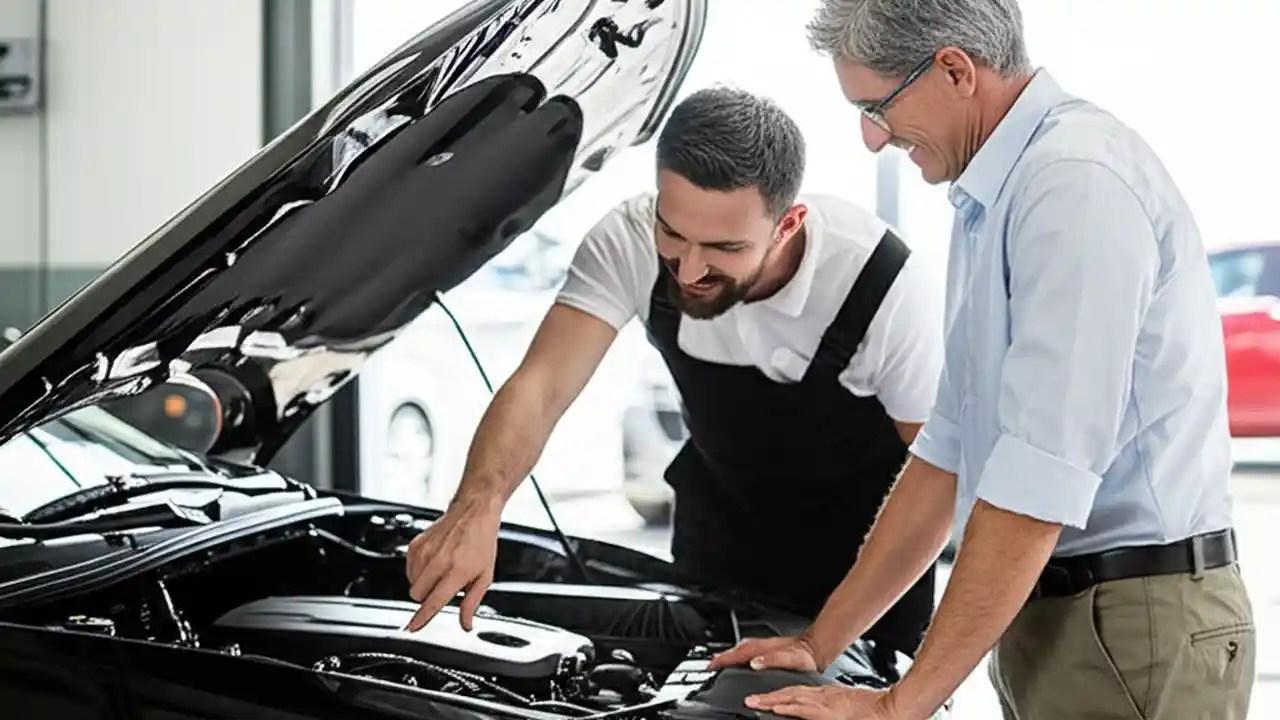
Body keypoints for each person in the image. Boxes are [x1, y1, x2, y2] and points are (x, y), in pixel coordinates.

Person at [708, 1, 1256, 719]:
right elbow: (949, 451)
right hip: (1058, 613)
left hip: (1132, 620)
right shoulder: (994, 197)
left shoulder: (1075, 184)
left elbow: (1038, 478)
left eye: (876, 106)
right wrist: (821, 641)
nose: (872, 139)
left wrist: (898, 705)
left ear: (955, 70)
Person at [402, 85, 946, 661]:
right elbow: (541, 386)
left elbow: (937, 481)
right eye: (673, 233)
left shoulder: (882, 286)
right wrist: (477, 507)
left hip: (869, 569)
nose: (688, 270)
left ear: (788, 226)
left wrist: (823, 640)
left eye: (723, 247)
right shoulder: (630, 239)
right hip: (717, 545)